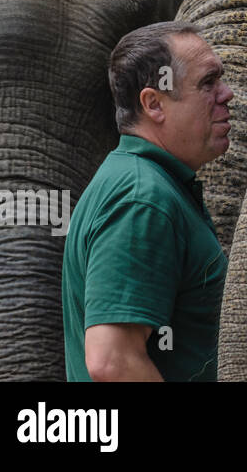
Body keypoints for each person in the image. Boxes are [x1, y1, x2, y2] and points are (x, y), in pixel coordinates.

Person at [62, 21, 233, 381]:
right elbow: (111, 361)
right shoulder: (142, 199)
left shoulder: (146, 183)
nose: (227, 93)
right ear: (154, 103)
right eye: (208, 83)